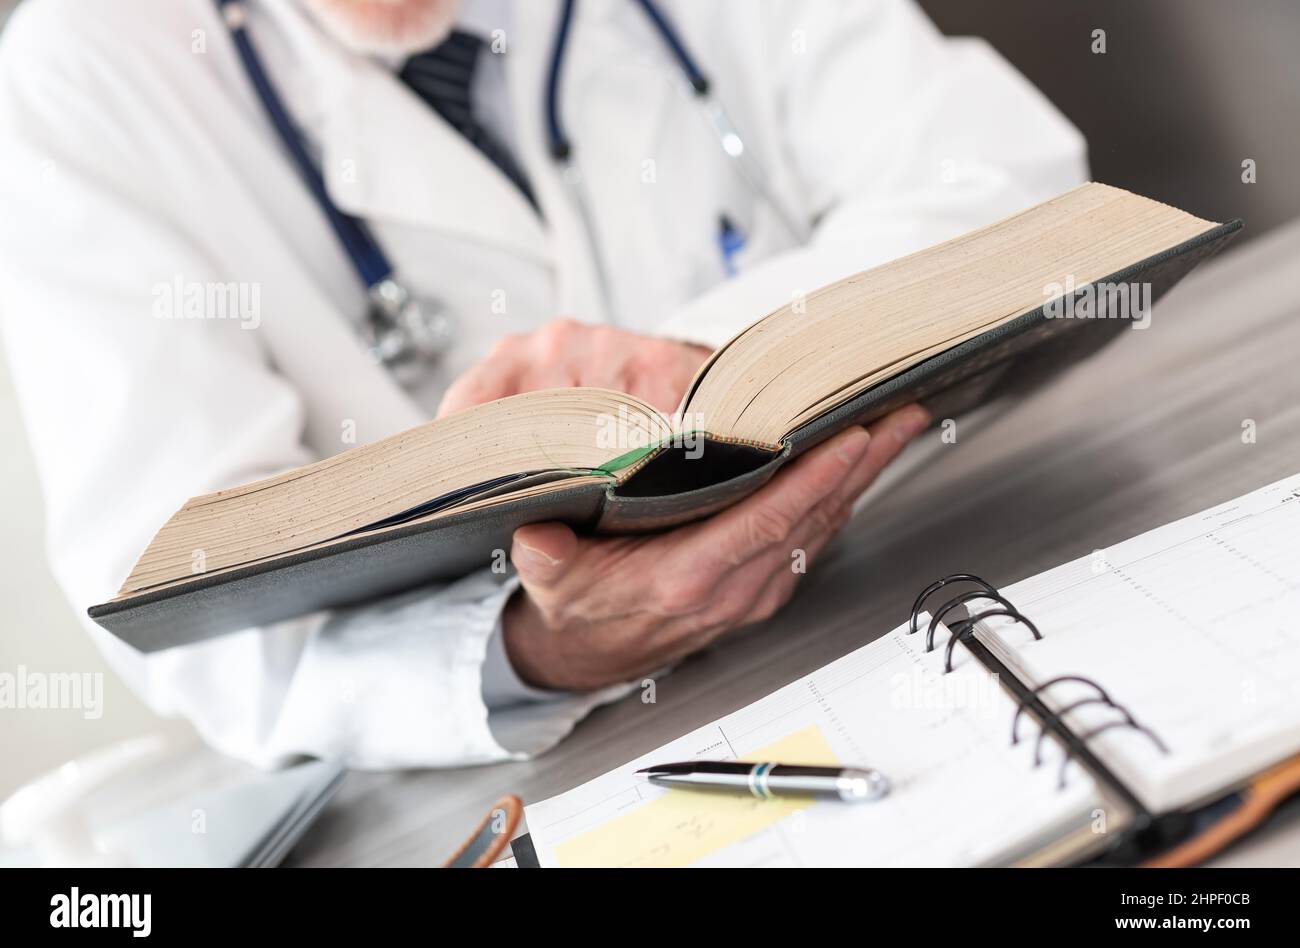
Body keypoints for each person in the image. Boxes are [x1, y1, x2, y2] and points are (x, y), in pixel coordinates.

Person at [0, 0, 1085, 768]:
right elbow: (182, 596)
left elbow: (1003, 177)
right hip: (575, 761)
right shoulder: (77, 79)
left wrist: (689, 366)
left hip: (952, 567)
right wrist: (541, 648)